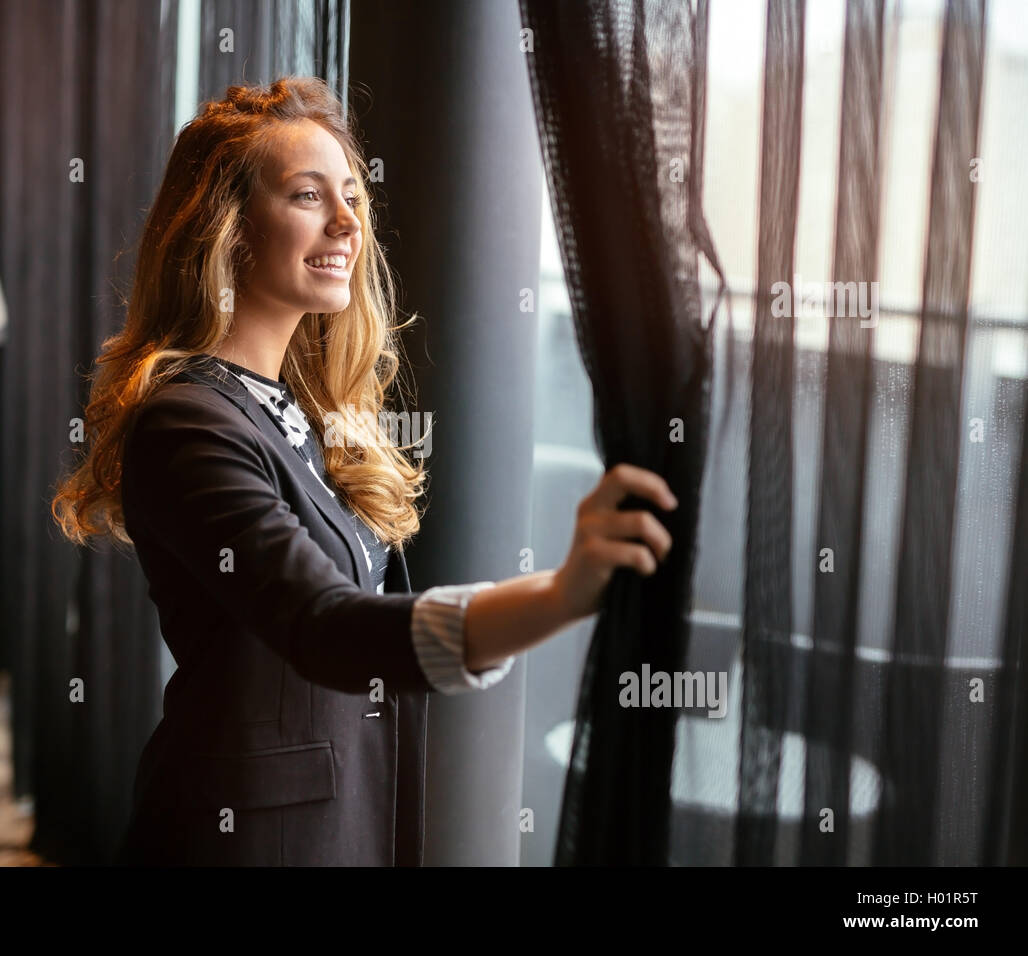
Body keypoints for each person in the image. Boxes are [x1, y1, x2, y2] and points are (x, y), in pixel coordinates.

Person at [50, 76, 676, 866]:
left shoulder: (294, 411)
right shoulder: (185, 424)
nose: (348, 221)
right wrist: (559, 594)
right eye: (309, 196)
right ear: (229, 230)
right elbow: (326, 626)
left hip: (341, 815)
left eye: (351, 196)